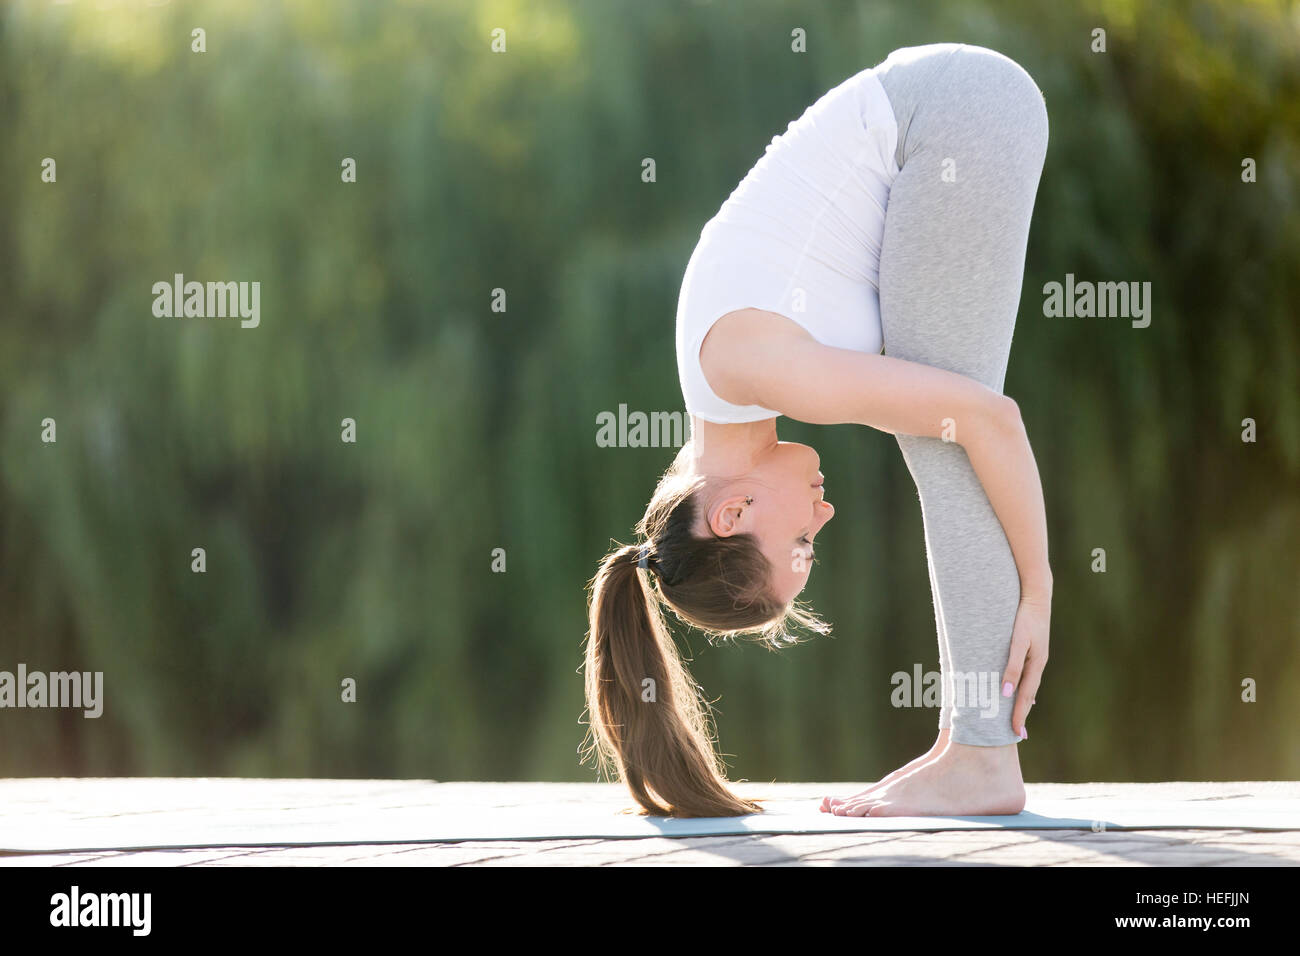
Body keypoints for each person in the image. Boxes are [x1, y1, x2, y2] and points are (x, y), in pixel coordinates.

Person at [582, 43, 1052, 818]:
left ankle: (979, 756)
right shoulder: (725, 398)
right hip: (956, 110)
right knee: (937, 432)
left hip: (955, 119)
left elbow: (994, 421)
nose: (823, 519)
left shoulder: (760, 370)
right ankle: (960, 748)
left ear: (733, 515)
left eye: (801, 546)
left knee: (948, 437)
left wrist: (1038, 588)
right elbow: (679, 518)